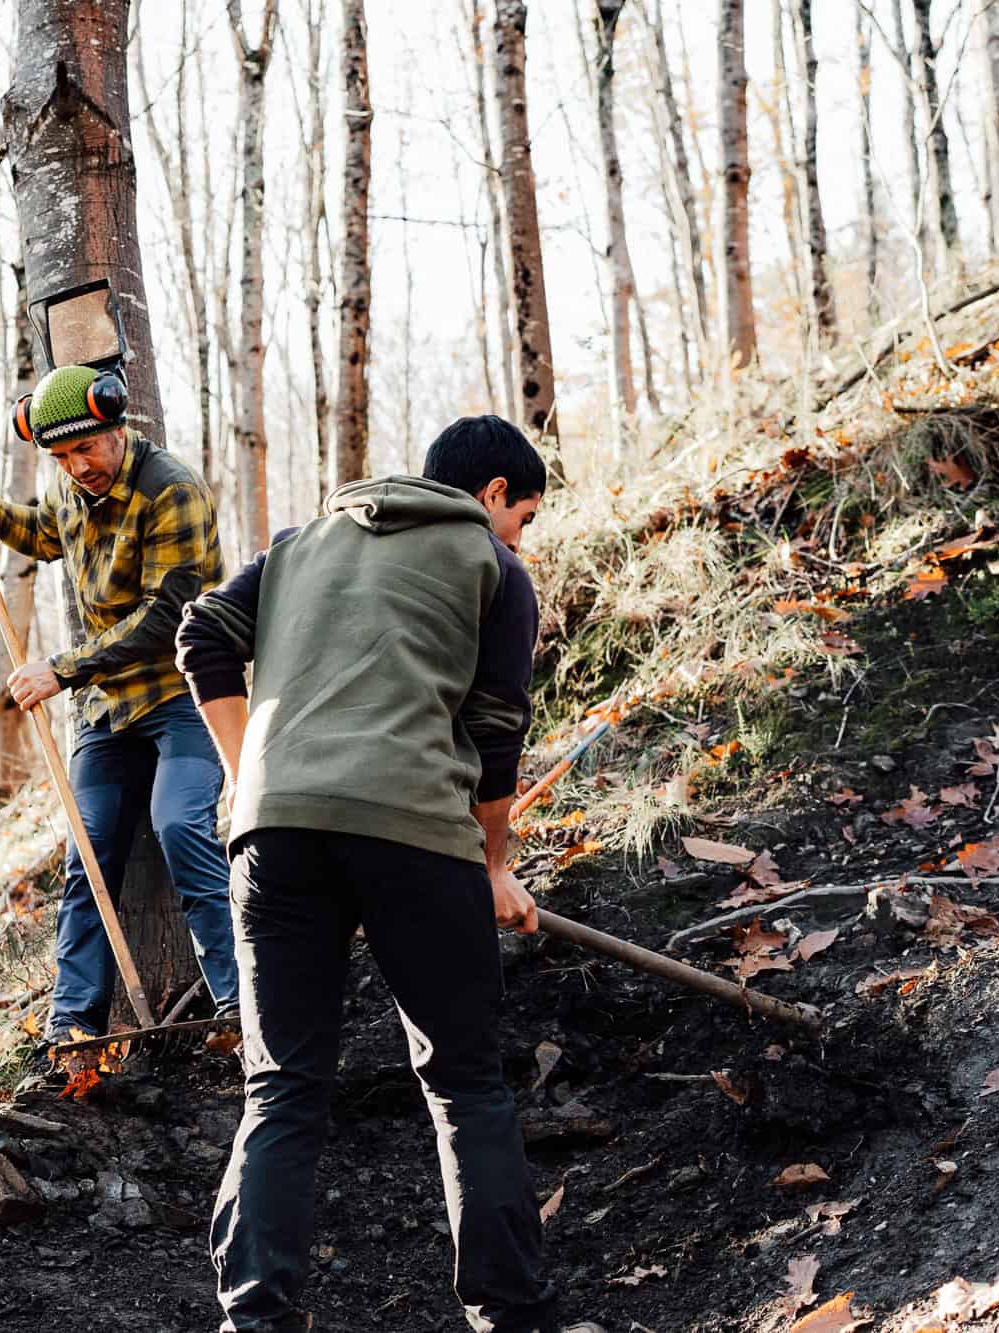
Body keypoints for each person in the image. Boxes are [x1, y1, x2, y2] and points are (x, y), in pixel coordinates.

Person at [175, 415, 602, 1333]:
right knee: (464, 1081)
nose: (522, 536)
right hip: (414, 828)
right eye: (523, 516)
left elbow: (202, 633)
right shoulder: (493, 566)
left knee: (281, 1084)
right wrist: (495, 865)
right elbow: (495, 733)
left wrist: (253, 773)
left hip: (272, 834)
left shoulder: (299, 545)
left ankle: (253, 1321)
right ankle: (515, 1317)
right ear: (492, 495)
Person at [0, 363, 239, 1052]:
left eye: (87, 448)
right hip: (110, 713)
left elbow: (168, 617)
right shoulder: (71, 491)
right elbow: (43, 533)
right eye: (62, 456)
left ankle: (243, 1000)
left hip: (185, 692)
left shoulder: (172, 491)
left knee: (180, 825)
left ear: (116, 425)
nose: (77, 466)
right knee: (88, 854)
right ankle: (75, 1027)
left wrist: (61, 670)